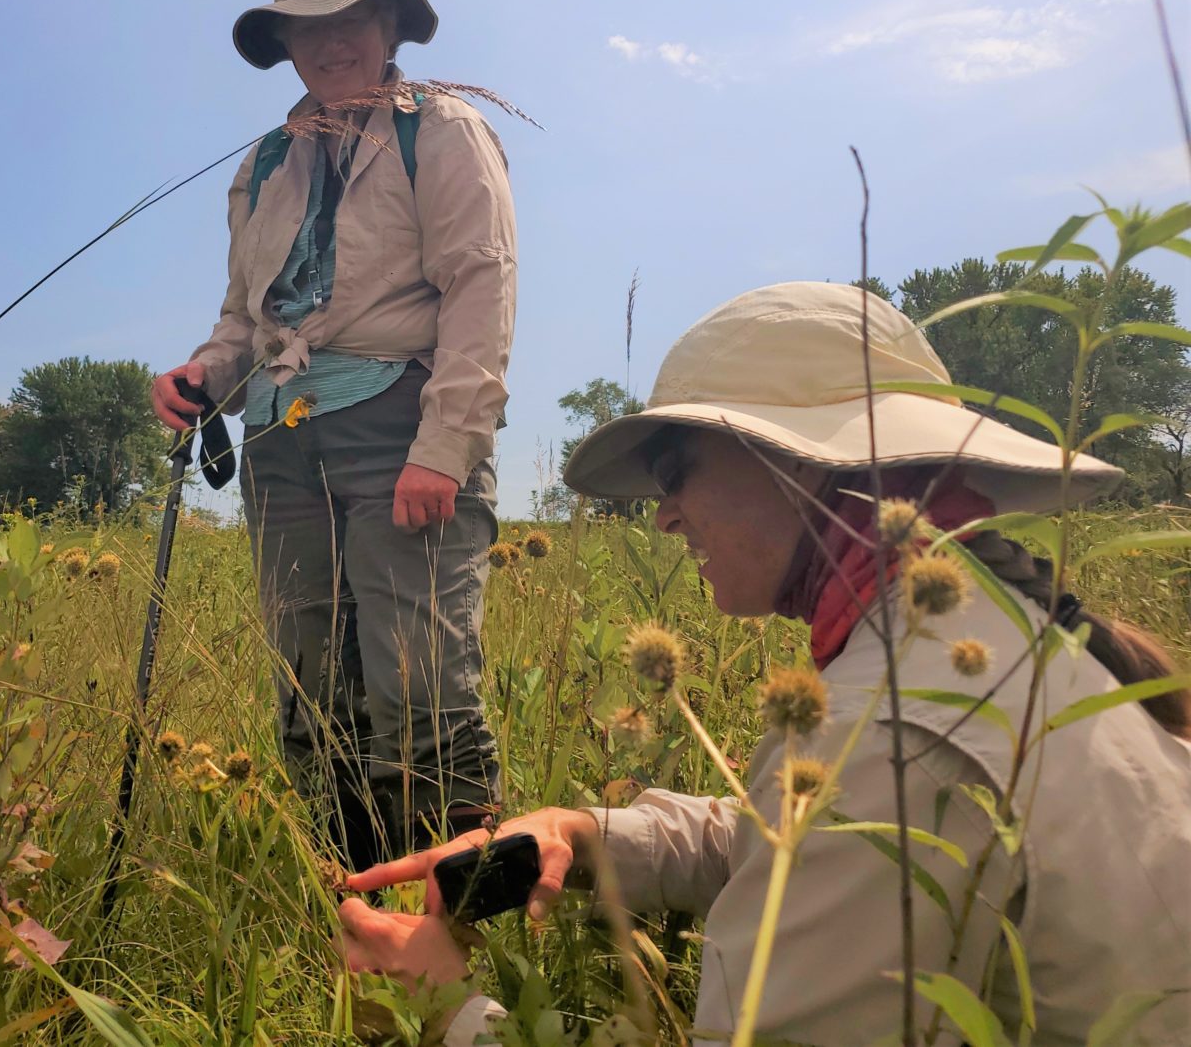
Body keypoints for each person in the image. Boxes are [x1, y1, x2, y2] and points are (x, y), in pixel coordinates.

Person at [339, 282, 1191, 1046]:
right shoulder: (1015, 637)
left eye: (677, 471)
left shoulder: (888, 735)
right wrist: (590, 833)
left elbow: (856, 810)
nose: (667, 517)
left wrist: (448, 1009)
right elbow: (821, 837)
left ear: (804, 464)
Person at [153, 0, 516, 870]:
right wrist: (205, 376)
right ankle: (341, 903)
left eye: (347, 17)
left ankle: (459, 916)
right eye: (302, 27)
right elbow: (245, 318)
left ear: (388, 21)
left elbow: (481, 284)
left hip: (400, 421)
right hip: (281, 442)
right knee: (310, 687)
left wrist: (447, 445)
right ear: (283, 45)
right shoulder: (264, 164)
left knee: (421, 682)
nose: (328, 42)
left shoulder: (441, 128)